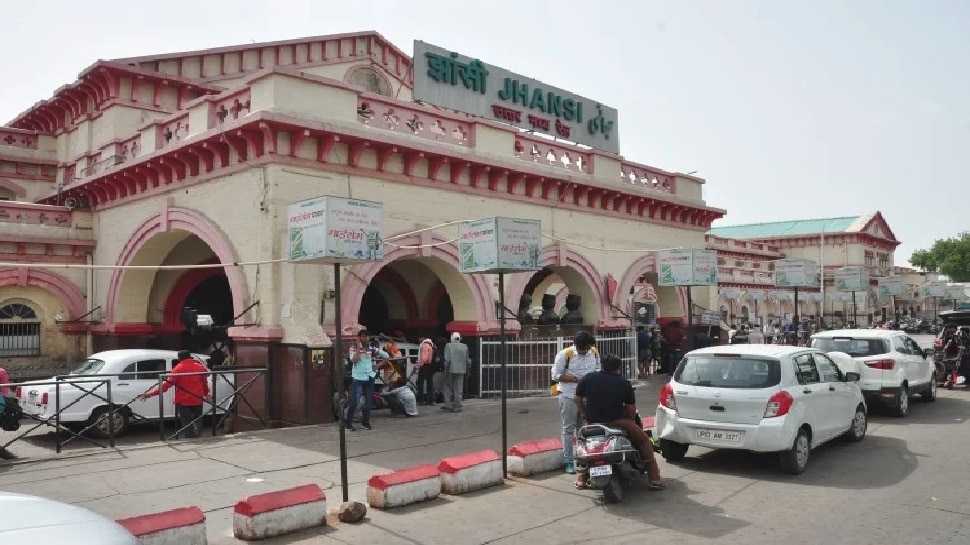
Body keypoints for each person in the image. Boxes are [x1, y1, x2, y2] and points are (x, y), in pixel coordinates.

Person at [573, 354, 665, 491]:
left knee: (586, 443)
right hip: (617, 421)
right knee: (644, 441)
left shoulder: (588, 378)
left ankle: (581, 479)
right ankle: (655, 478)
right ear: (618, 368)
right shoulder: (624, 383)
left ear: (602, 366)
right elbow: (630, 408)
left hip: (593, 422)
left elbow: (577, 399)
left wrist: (584, 414)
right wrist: (630, 421)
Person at [550, 330, 601, 474]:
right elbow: (556, 375)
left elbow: (598, 368)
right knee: (568, 429)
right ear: (577, 346)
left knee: (583, 428)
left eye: (588, 348)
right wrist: (576, 379)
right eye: (584, 349)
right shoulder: (565, 355)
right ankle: (568, 461)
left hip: (587, 397)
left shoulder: (594, 352)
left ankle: (582, 457)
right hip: (569, 396)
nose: (586, 351)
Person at [138, 350, 210, 439]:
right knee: (198, 420)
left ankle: (191, 438)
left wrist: (150, 393)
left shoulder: (178, 368)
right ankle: (198, 435)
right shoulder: (200, 367)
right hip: (198, 398)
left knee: (186, 422)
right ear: (190, 357)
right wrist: (207, 394)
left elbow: (167, 385)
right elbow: (204, 383)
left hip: (184, 401)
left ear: (179, 358)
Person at [344, 330, 388, 431]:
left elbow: (386, 356)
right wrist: (359, 348)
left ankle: (365, 422)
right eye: (363, 336)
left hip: (369, 377)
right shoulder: (353, 348)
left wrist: (378, 366)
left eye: (366, 336)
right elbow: (354, 360)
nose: (365, 338)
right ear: (359, 338)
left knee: (368, 401)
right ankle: (348, 422)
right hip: (358, 378)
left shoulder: (372, 349)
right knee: (355, 400)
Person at [442, 332, 470, 413]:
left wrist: (445, 369)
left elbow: (447, 360)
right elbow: (468, 360)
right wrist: (468, 370)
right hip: (461, 370)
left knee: (448, 387)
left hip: (450, 370)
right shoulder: (465, 346)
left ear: (452, 338)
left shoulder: (448, 345)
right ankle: (457, 407)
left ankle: (448, 404)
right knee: (458, 388)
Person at [416, 337, 436, 405]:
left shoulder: (424, 344)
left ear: (422, 338)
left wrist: (419, 364)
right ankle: (430, 400)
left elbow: (424, 357)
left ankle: (420, 400)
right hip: (430, 366)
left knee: (420, 383)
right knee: (429, 383)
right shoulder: (431, 344)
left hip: (424, 365)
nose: (418, 340)